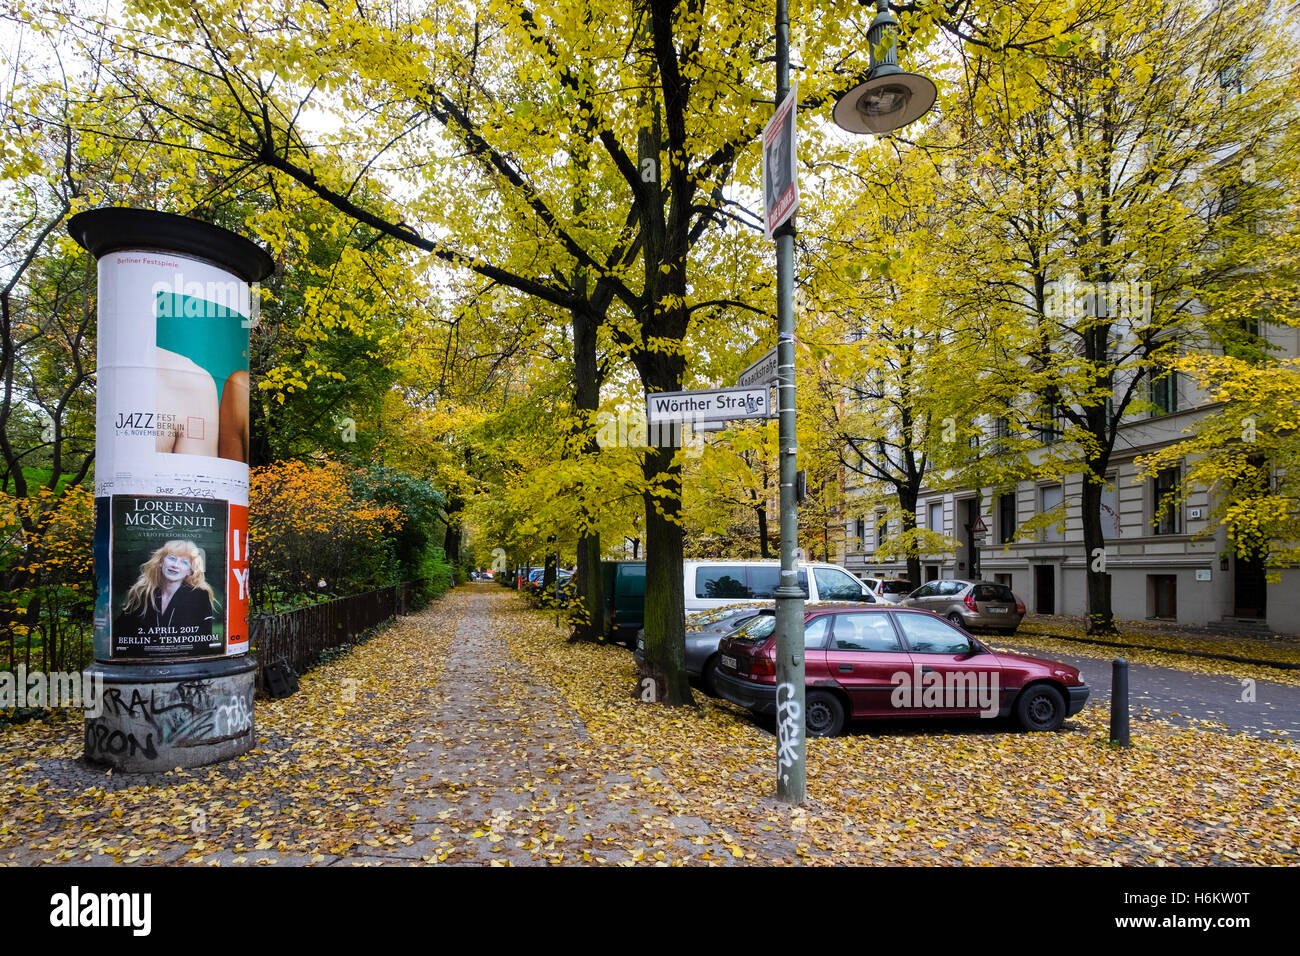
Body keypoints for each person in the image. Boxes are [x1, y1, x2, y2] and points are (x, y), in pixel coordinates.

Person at [115, 540, 218, 639]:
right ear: (161, 562)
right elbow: (119, 632)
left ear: (190, 572)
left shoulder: (199, 596)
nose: (175, 565)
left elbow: (204, 640)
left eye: (184, 562)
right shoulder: (141, 593)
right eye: (172, 558)